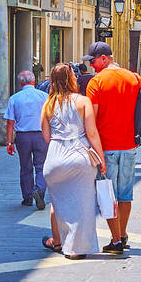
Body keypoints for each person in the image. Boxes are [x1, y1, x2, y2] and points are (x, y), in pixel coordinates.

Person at [84, 42, 141, 255]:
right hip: (130, 146)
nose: (92, 65)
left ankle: (115, 240)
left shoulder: (96, 82)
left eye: (93, 61)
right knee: (125, 194)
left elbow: (91, 118)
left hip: (106, 146)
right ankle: (122, 234)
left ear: (104, 58)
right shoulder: (133, 77)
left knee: (107, 194)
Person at [40, 63, 105, 260]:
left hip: (55, 157)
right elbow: (92, 133)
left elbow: (46, 135)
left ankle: (61, 242)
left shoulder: (48, 104)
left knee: (59, 204)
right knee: (83, 205)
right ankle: (77, 248)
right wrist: (101, 158)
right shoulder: (83, 101)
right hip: (79, 154)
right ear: (71, 79)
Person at [5, 70, 48, 209]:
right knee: (41, 166)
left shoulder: (14, 98)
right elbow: (50, 117)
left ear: (20, 82)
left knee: (25, 167)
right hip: (40, 135)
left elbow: (10, 122)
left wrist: (9, 142)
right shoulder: (44, 96)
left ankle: (28, 196)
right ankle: (39, 189)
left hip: (23, 136)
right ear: (34, 81)